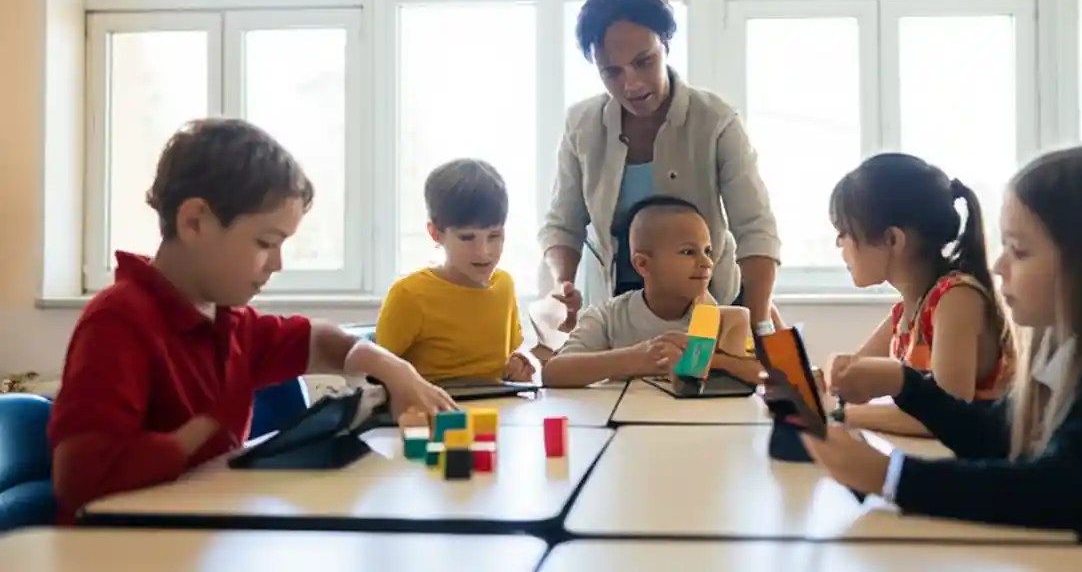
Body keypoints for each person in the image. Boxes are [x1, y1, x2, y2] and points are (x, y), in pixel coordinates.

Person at [800, 144, 1082, 572]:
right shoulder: (1069, 351)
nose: (1001, 265)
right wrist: (903, 383)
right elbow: (997, 431)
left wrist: (891, 476)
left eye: (1020, 251)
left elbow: (1054, 492)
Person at [47, 119, 457, 522]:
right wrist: (210, 424)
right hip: (118, 552)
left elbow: (320, 341)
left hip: (202, 535)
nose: (277, 264)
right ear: (194, 222)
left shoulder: (230, 321)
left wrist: (394, 369)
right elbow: (81, 478)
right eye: (265, 243)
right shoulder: (118, 322)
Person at [538, 0, 782, 345]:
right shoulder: (581, 124)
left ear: (665, 45)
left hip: (708, 309)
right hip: (618, 314)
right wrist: (563, 286)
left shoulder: (715, 120)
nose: (631, 84)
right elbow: (563, 223)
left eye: (643, 62)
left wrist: (760, 327)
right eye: (612, 72)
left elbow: (755, 229)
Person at [826, 154, 1012, 436]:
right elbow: (853, 379)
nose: (839, 243)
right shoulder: (907, 311)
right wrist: (822, 379)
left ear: (893, 240)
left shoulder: (957, 299)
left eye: (844, 232)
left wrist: (844, 414)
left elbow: (945, 416)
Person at [542, 196, 762, 387]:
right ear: (643, 265)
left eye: (707, 251)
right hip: (625, 428)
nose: (707, 262)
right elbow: (553, 372)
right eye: (688, 251)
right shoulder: (608, 317)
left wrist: (711, 361)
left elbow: (759, 374)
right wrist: (638, 359)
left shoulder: (720, 318)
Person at [375, 158, 550, 382]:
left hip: (498, 409)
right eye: (467, 238)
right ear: (435, 234)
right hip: (437, 411)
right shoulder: (409, 295)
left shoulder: (504, 285)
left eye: (494, 236)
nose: (483, 251)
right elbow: (378, 371)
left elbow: (512, 353)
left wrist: (519, 362)